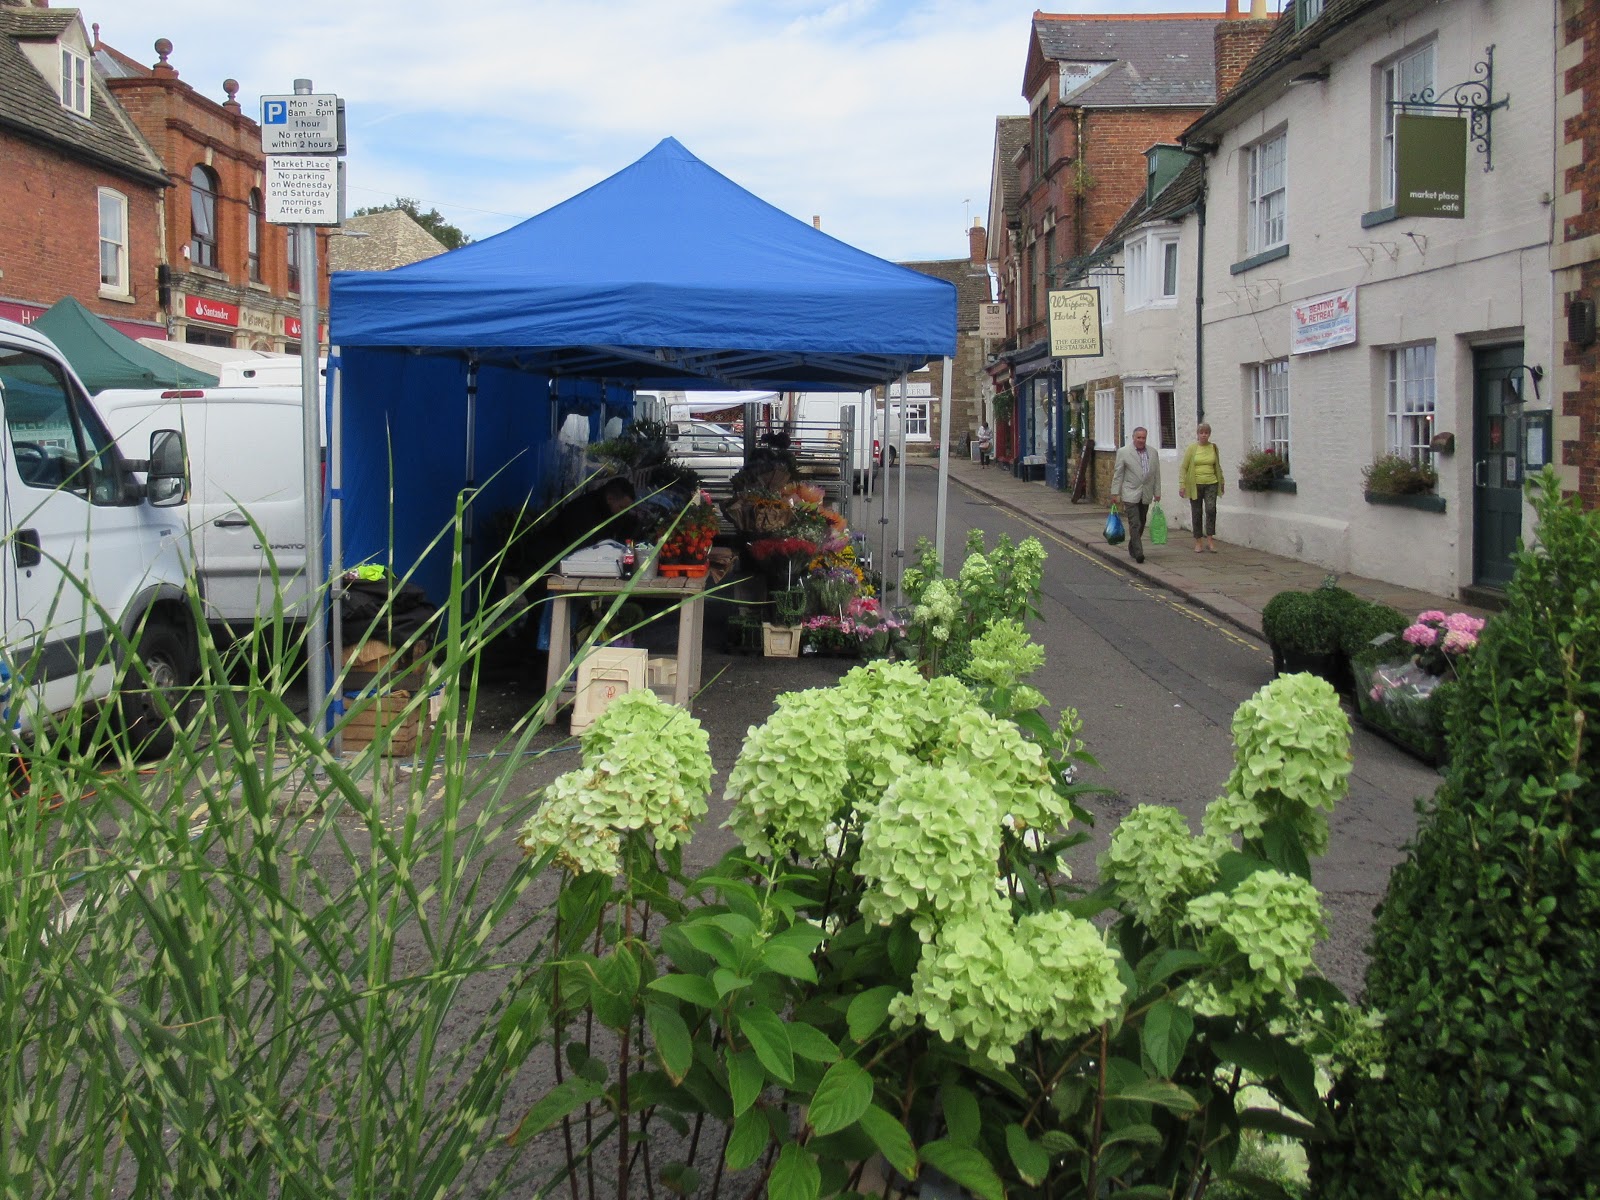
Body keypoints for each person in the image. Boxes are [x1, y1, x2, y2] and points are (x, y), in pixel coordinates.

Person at [1110, 426, 1161, 564]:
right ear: (1133, 438)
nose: (1141, 440)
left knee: (1142, 522)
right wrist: (1115, 492)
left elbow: (1156, 474)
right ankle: (1139, 553)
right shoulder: (1124, 452)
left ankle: (1133, 546)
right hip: (1130, 492)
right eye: (1138, 437)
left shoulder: (1153, 452)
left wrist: (1157, 492)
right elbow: (1118, 474)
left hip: (1146, 493)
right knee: (1135, 522)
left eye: (1143, 438)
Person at [1178, 423, 1224, 554]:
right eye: (1201, 432)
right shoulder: (1192, 449)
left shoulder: (1213, 448)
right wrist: (1182, 485)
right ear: (1197, 434)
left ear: (1209, 434)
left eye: (1206, 433)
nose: (1204, 435)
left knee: (1211, 509)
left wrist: (1222, 482)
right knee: (1197, 512)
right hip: (1195, 484)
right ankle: (1198, 541)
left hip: (1211, 482)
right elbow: (1184, 467)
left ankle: (1210, 540)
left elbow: (1217, 466)